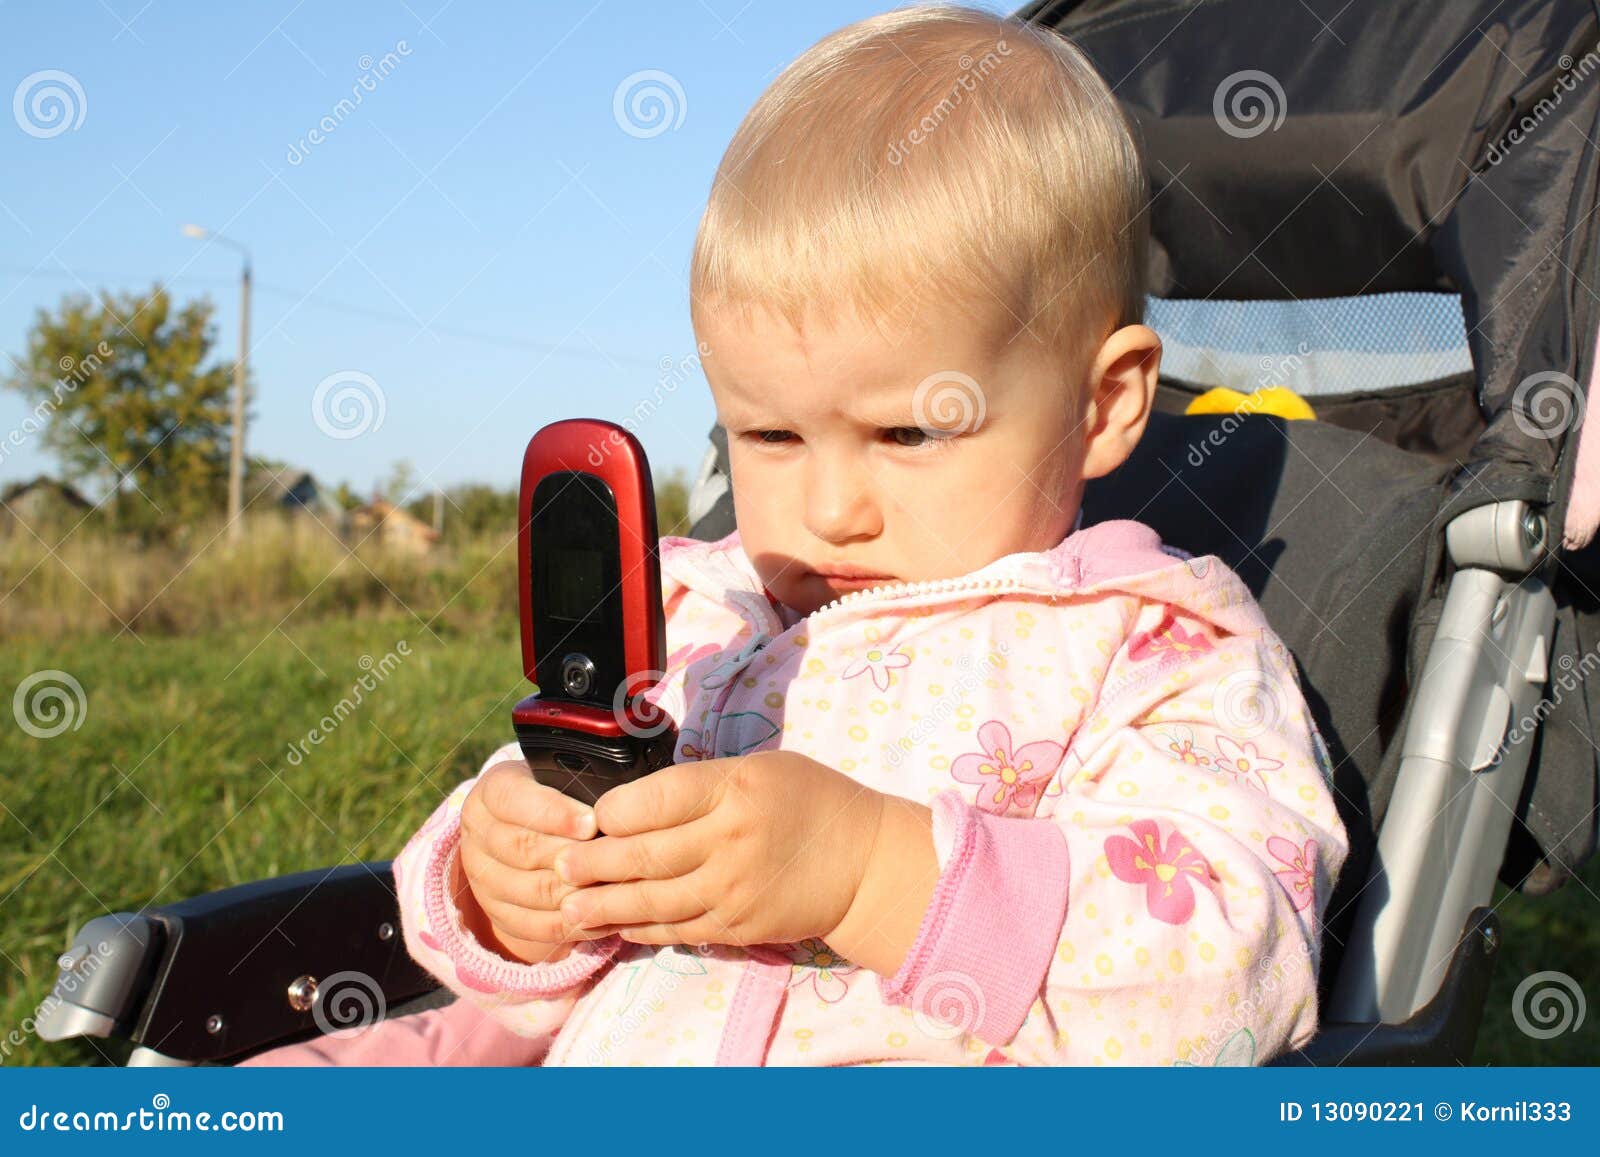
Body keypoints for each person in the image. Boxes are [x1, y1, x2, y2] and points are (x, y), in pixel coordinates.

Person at [247, 4, 1347, 1068]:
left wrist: (867, 871)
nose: (829, 509)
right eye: (769, 432)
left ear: (1103, 404)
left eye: (908, 430)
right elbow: (507, 950)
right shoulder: (699, 623)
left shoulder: (1152, 651)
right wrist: (502, 883)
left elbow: (1230, 974)